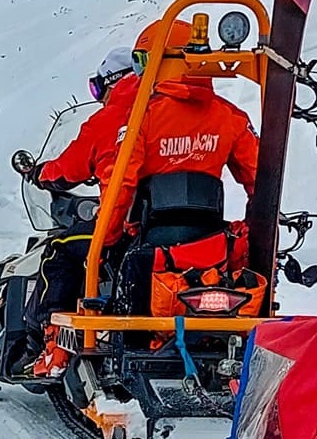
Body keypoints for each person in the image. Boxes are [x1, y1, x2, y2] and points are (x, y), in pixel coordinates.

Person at [25, 21, 198, 377]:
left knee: (60, 252)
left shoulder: (120, 118)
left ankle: (52, 340)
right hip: (201, 238)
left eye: (96, 86)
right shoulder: (205, 112)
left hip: (135, 231)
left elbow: (76, 169)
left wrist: (42, 174)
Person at [105, 22, 259, 248]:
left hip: (151, 249)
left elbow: (120, 184)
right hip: (210, 246)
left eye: (140, 63)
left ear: (157, 62)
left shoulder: (141, 118)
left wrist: (107, 238)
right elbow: (261, 181)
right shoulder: (232, 117)